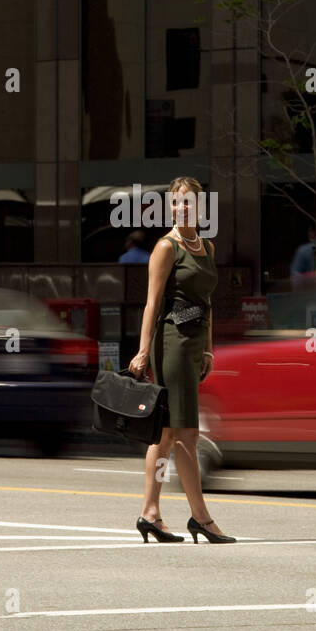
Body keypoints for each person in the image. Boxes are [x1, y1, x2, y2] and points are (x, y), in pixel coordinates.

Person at [128, 176, 234, 544]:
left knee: (167, 433)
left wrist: (208, 348)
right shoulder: (166, 247)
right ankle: (201, 518)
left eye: (188, 203)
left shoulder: (207, 246)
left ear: (201, 208)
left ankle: (150, 513)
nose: (181, 208)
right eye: (176, 203)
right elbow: (152, 302)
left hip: (193, 346)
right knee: (187, 432)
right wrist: (143, 350)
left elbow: (207, 302)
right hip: (170, 342)